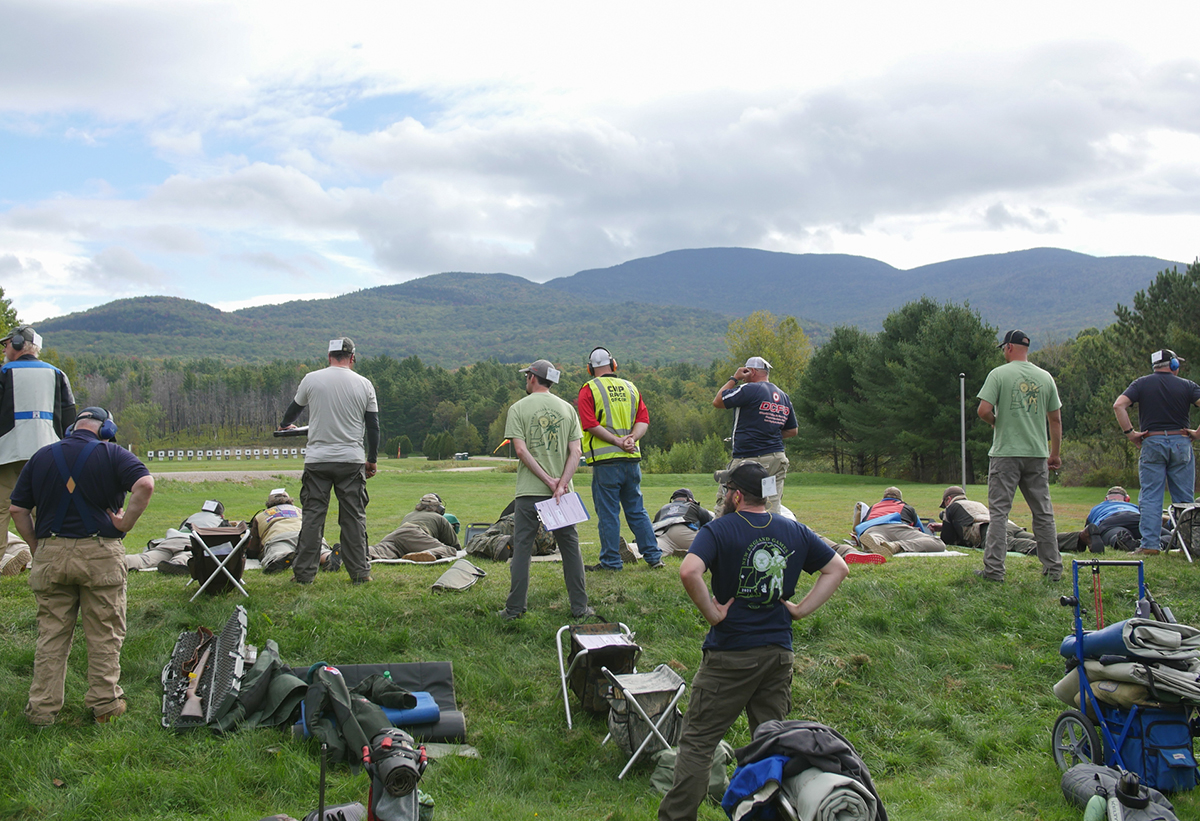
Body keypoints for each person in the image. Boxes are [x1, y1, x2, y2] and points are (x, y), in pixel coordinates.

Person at [657, 462, 848, 821]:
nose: (725, 495)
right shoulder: (794, 530)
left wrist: (713, 614)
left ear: (737, 495)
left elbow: (689, 570)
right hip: (778, 653)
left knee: (698, 742)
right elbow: (838, 568)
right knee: (771, 744)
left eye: (727, 489)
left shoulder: (718, 529)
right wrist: (800, 610)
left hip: (730, 654)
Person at [8, 407, 154, 725]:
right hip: (100, 554)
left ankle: (42, 711)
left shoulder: (41, 456)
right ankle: (105, 705)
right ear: (106, 430)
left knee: (51, 635)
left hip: (50, 553)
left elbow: (18, 510)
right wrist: (124, 523)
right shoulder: (113, 453)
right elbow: (145, 484)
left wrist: (36, 546)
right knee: (104, 632)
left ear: (72, 428)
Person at [279, 337, 379, 585]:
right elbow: (373, 426)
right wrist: (372, 459)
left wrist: (285, 425)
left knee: (313, 518)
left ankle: (304, 575)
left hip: (318, 460)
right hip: (351, 460)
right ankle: (360, 573)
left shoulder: (311, 379)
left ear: (329, 356)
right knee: (353, 518)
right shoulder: (365, 384)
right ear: (352, 357)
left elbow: (294, 410)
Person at [498, 359, 592, 622]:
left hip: (529, 491)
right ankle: (580, 608)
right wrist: (561, 484)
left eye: (526, 376)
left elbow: (520, 451)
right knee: (570, 549)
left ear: (532, 377)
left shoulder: (518, 408)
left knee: (522, 549)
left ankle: (515, 609)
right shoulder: (568, 409)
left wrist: (548, 481)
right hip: (562, 496)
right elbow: (576, 452)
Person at [976, 329, 1063, 582]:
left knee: (999, 514)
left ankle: (994, 571)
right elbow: (1055, 420)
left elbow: (983, 410)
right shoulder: (1045, 377)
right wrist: (1054, 454)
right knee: (1043, 513)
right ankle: (1053, 570)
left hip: (1006, 454)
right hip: (1036, 454)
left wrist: (996, 422)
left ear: (1009, 347)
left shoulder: (999, 374)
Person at [577, 346, 664, 571]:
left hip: (606, 463)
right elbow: (643, 420)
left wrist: (616, 442)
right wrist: (631, 439)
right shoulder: (631, 387)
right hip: (631, 460)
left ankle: (611, 562)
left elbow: (589, 424)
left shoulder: (589, 389)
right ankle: (654, 557)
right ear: (613, 365)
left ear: (589, 368)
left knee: (608, 513)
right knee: (637, 510)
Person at [1, 324, 76, 576]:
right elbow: (69, 419)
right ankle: (54, 561)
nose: (4, 349)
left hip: (6, 454)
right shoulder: (58, 374)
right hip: (49, 454)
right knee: (47, 509)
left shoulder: (3, 373)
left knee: (1, 510)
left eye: (6, 343)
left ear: (18, 343)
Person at [1113, 348, 1200, 555]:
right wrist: (1197, 433)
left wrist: (1131, 433)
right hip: (1181, 442)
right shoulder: (1188, 385)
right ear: (1174, 364)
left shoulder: (1141, 384)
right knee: (1184, 499)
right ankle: (1187, 546)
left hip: (1152, 442)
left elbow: (1119, 405)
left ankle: (1150, 545)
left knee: (1151, 496)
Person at [712, 356, 796, 515]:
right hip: (776, 460)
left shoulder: (749, 389)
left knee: (728, 503)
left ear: (752, 371)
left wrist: (734, 378)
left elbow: (718, 401)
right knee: (770, 506)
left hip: (749, 459)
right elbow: (792, 430)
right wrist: (768, 434)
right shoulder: (783, 396)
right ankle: (770, 530)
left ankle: (720, 530)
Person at [247, 489, 338, 573]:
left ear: (269, 503)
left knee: (278, 551)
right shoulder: (300, 510)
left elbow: (254, 545)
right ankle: (328, 556)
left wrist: (251, 552)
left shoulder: (260, 516)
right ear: (290, 500)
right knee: (318, 550)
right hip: (307, 534)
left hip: (279, 536)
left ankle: (284, 556)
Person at [125, 499, 228, 573]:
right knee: (186, 555)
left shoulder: (192, 517)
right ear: (221, 515)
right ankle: (176, 563)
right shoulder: (220, 521)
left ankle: (124, 561)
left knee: (147, 558)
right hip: (189, 542)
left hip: (171, 539)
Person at [937, 485, 1038, 554]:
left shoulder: (951, 507)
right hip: (1009, 524)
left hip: (988, 528)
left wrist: (945, 525)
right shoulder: (976, 504)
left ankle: (1035, 548)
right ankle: (1046, 542)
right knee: (1034, 537)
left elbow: (947, 539)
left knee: (1007, 543)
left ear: (948, 499)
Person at [367, 492, 460, 562]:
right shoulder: (440, 518)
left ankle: (366, 552)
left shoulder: (409, 515)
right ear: (440, 509)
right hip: (416, 533)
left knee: (382, 550)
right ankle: (428, 553)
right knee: (449, 550)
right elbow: (454, 545)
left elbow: (405, 539)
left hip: (397, 534)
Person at [853, 487, 945, 556]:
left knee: (875, 537)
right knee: (937, 543)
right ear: (900, 498)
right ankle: (896, 546)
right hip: (898, 527)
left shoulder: (873, 507)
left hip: (872, 528)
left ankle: (874, 541)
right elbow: (921, 530)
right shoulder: (907, 507)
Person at [651, 488, 713, 557]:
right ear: (690, 500)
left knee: (654, 550)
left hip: (661, 533)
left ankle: (640, 552)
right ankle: (690, 550)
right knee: (713, 544)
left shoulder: (663, 508)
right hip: (682, 529)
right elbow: (714, 520)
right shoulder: (692, 506)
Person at [1083, 486, 1144, 554]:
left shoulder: (1097, 508)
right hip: (1135, 517)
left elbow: (1088, 529)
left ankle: (1119, 539)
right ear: (1127, 499)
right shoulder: (1133, 506)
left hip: (1110, 520)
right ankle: (1147, 541)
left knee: (1115, 534)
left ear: (1106, 499)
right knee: (1146, 532)